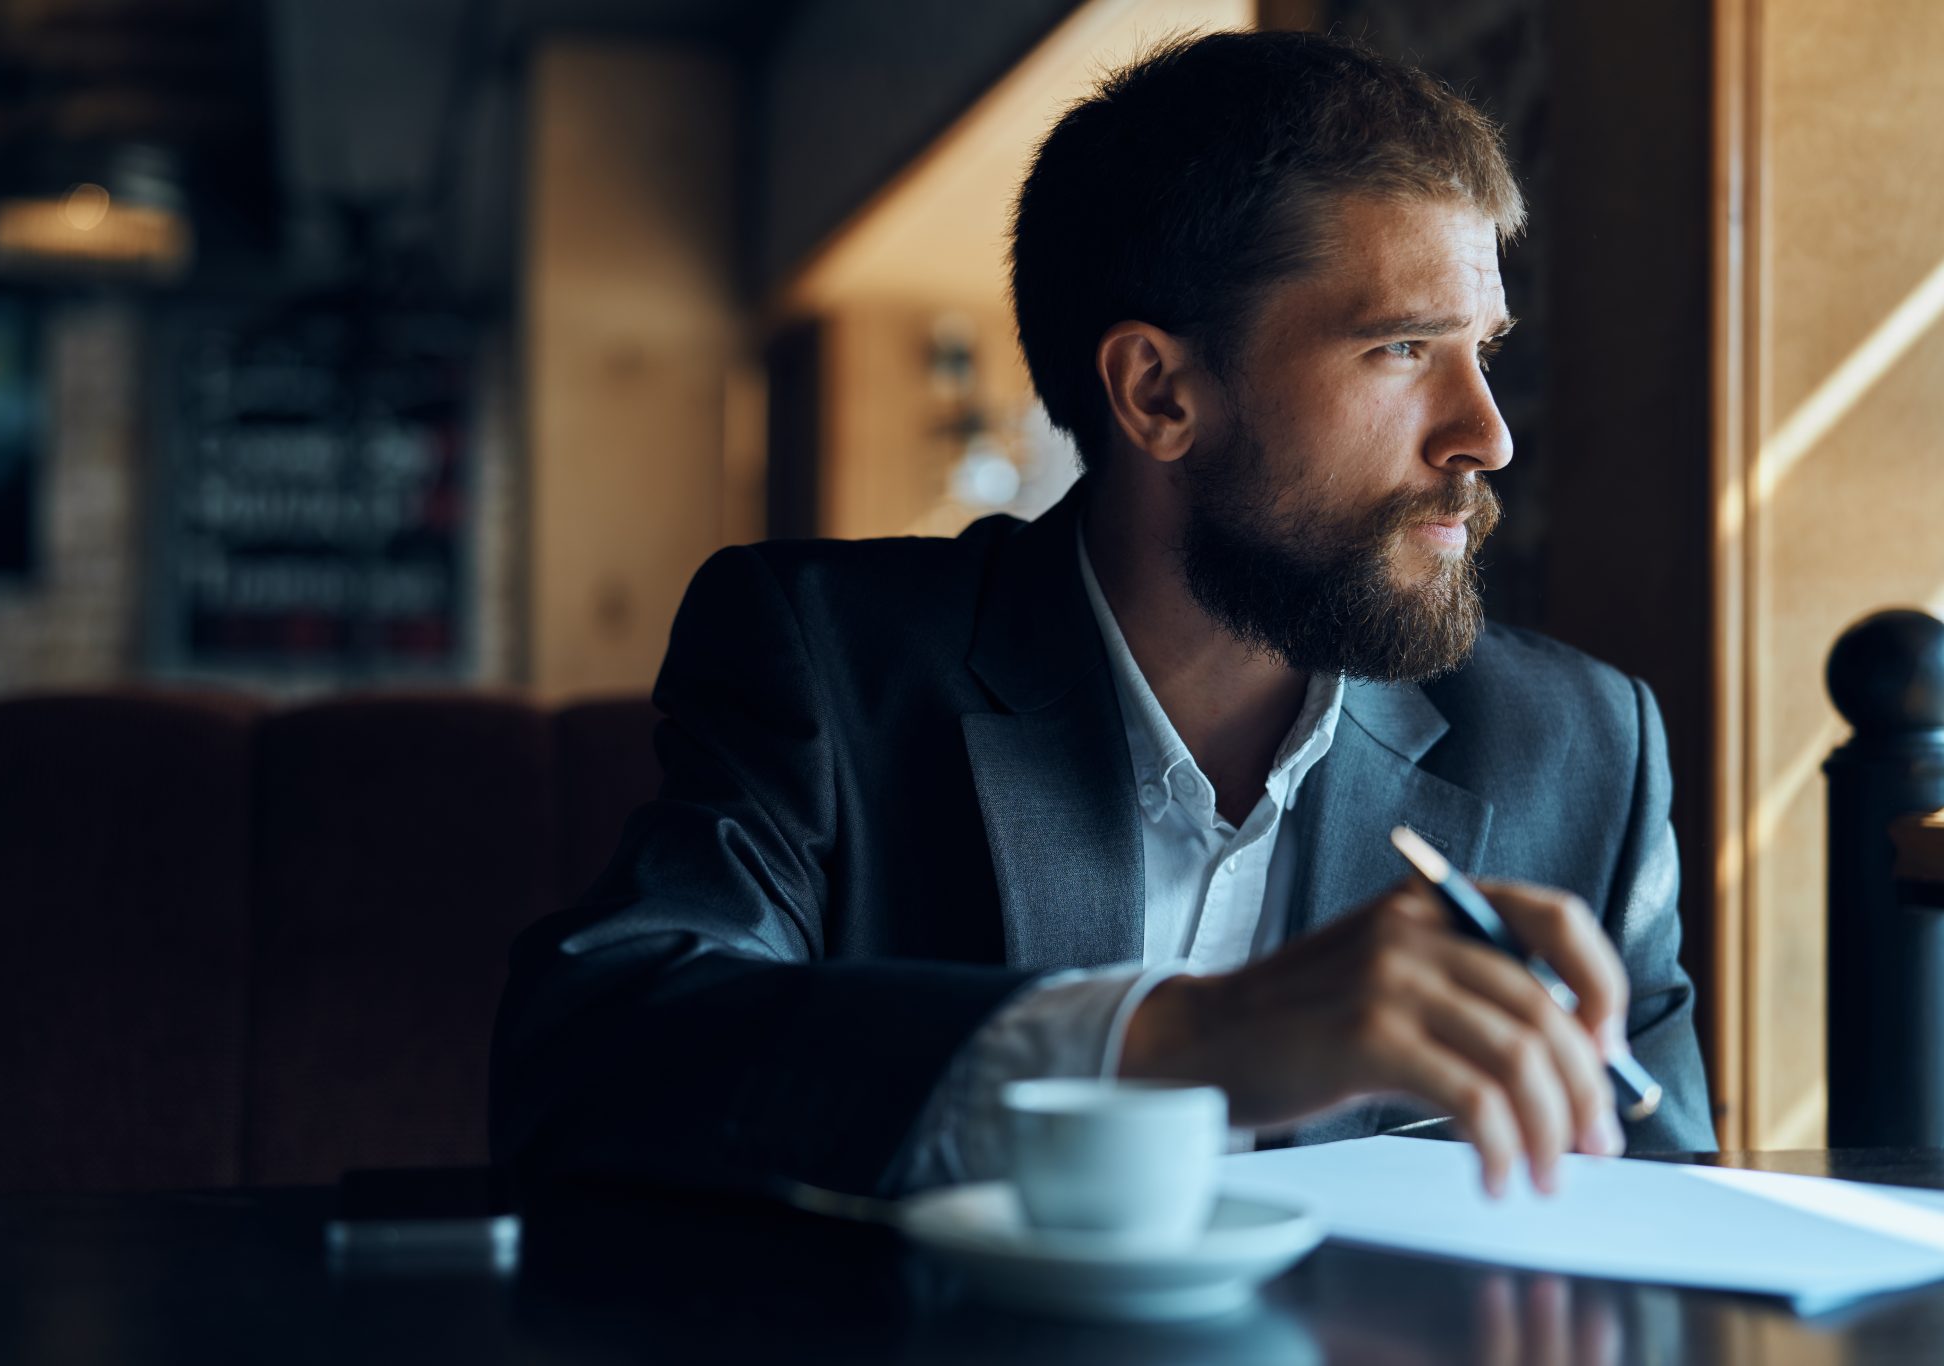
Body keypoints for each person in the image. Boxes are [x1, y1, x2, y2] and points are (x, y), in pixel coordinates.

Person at [491, 28, 1716, 1203]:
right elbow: (592, 1060)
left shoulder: (1583, 752)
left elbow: (1672, 1233)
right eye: (1401, 348)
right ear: (1157, 391)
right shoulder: (832, 662)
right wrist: (1189, 1036)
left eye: (1482, 351)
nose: (1485, 434)